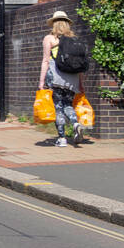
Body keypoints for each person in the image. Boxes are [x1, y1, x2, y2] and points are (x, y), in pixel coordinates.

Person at [38, 10, 83, 147]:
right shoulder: (74, 39)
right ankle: (75, 123)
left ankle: (62, 138)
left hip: (56, 76)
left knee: (58, 107)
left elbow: (46, 61)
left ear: (54, 24)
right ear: (67, 24)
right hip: (72, 77)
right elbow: (79, 64)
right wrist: (80, 83)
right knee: (68, 104)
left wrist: (41, 82)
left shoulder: (50, 39)